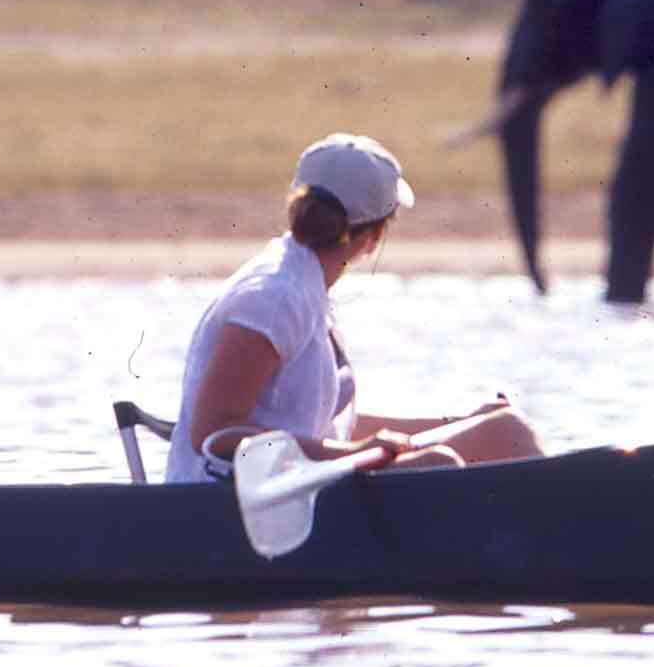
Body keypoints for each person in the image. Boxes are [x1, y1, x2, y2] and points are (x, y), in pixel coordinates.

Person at [165, 132, 542, 483]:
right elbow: (214, 432)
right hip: (236, 507)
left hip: (293, 485)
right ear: (374, 236)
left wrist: (459, 421)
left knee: (504, 429)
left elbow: (327, 429)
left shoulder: (301, 283)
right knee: (438, 465)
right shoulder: (275, 298)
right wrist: (352, 452)